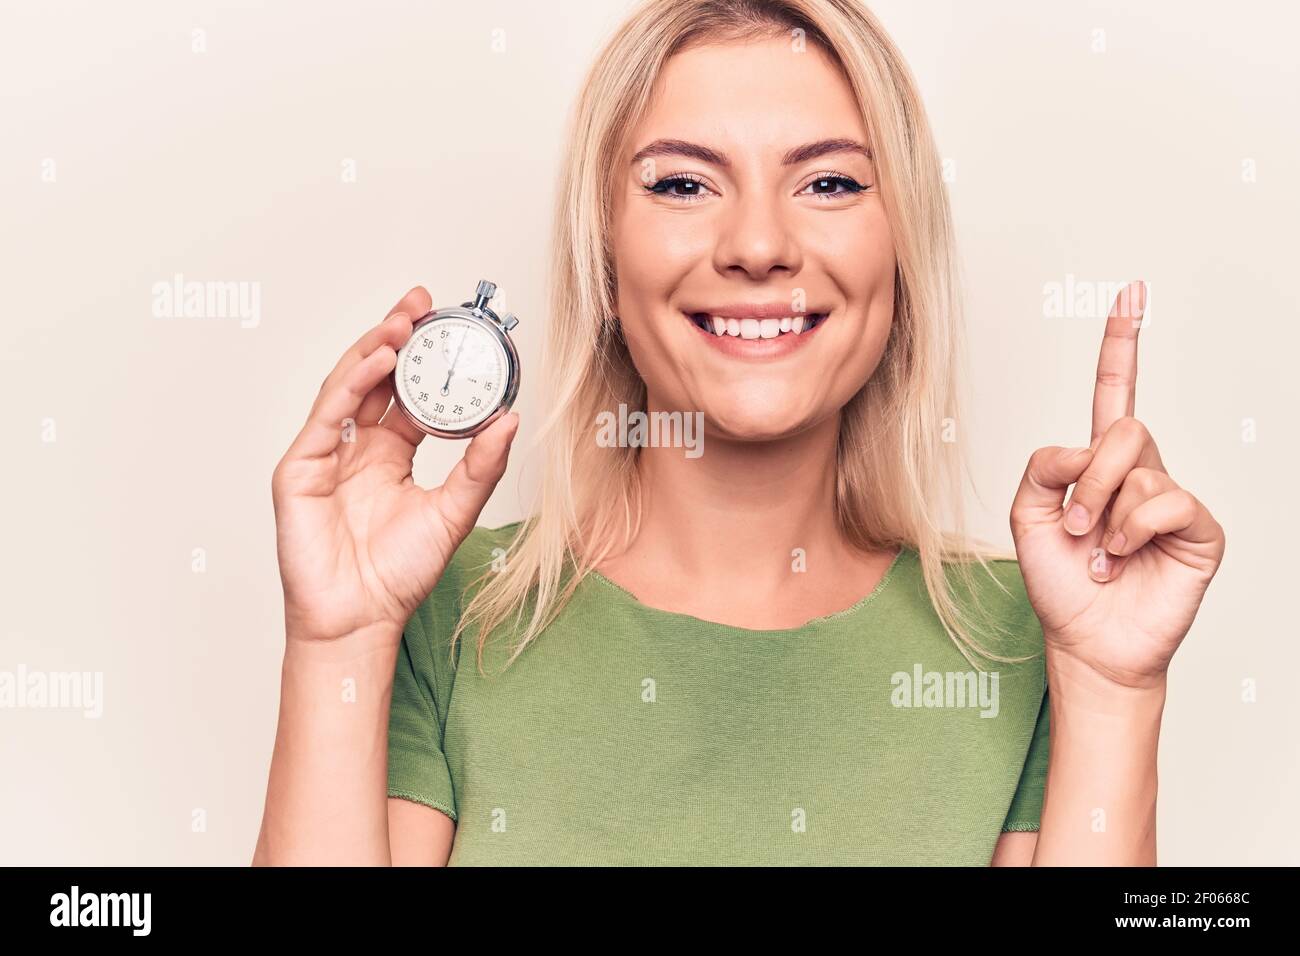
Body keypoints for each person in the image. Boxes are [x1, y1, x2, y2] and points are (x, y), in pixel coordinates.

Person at [253, 0, 1225, 866]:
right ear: (605, 254)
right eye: (682, 185)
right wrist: (339, 637)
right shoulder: (448, 615)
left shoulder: (1032, 632)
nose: (758, 246)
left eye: (831, 184)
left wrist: (1109, 691)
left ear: (900, 248)